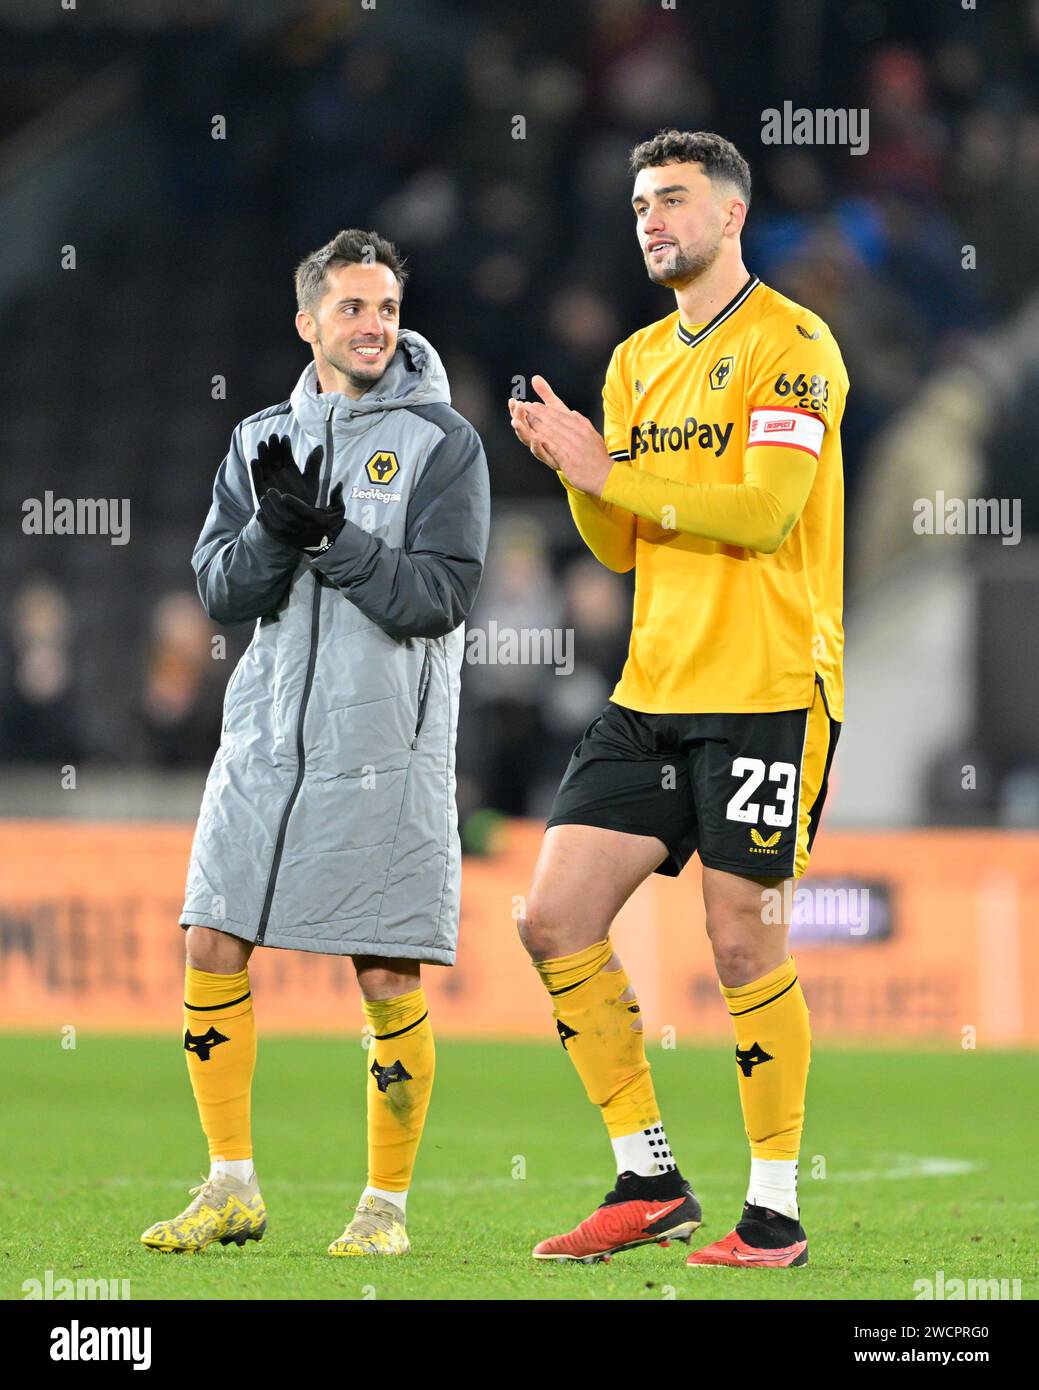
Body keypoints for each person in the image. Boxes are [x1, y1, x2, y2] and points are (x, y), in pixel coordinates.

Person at [509, 129, 847, 1268]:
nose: (653, 219)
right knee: (550, 918)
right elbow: (617, 545)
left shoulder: (792, 346)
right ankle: (647, 1176)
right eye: (641, 203)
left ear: (731, 215)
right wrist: (576, 469)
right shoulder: (632, 360)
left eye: (674, 201)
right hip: (652, 685)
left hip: (764, 683)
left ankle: (774, 1212)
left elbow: (763, 512)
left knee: (739, 943)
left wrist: (610, 472)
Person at [140, 229, 490, 1258]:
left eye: (386, 307)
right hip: (261, 743)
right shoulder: (257, 440)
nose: (374, 325)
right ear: (308, 322)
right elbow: (218, 590)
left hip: (384, 748)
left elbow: (437, 598)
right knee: (210, 938)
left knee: (385, 974)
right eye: (352, 308)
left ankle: (383, 1207)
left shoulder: (444, 443)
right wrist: (272, 532)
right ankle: (229, 1186)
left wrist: (332, 538)